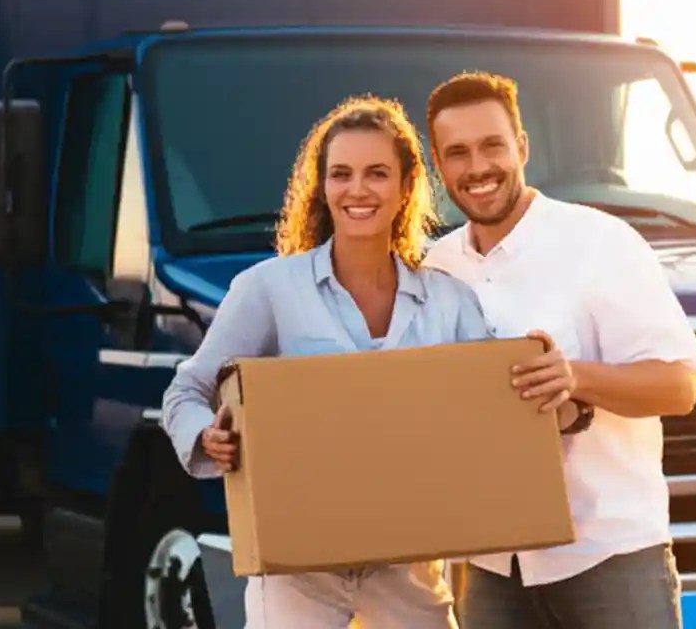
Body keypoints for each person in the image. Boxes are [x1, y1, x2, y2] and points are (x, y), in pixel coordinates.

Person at [160, 95, 505, 629]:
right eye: (341, 174)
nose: (358, 190)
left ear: (405, 186)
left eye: (376, 174)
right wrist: (207, 435)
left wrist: (544, 385)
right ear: (322, 187)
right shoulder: (268, 289)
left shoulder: (449, 302)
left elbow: (494, 408)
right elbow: (185, 393)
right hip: (297, 575)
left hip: (408, 573)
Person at [421, 71, 696, 629]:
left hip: (609, 559)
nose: (477, 168)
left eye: (492, 146)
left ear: (522, 147)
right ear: (438, 165)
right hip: (490, 570)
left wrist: (574, 377)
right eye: (457, 153)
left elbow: (680, 385)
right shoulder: (436, 267)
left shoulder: (600, 242)